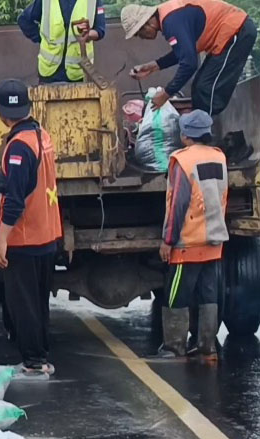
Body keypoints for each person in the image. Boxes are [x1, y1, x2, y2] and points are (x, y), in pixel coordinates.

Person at [0, 80, 62, 377]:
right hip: (46, 234)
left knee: (23, 304)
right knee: (39, 302)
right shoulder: (40, 135)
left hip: (24, 237)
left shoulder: (18, 146)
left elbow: (16, 200)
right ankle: (41, 356)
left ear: (1, 113)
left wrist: (1, 240)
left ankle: (33, 361)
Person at [157, 110, 228, 360]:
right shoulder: (219, 157)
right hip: (214, 238)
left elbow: (177, 204)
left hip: (188, 241)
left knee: (177, 293)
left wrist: (168, 241)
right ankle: (206, 346)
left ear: (185, 136)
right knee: (208, 293)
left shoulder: (182, 161)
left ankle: (174, 346)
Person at [124, 1, 257, 115]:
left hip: (236, 30)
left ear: (147, 24)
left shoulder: (171, 22)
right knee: (199, 87)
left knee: (205, 89)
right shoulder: (169, 18)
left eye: (138, 34)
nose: (141, 38)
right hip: (225, 36)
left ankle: (204, 138)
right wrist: (153, 66)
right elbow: (184, 53)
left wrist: (166, 93)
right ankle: (200, 134)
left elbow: (189, 64)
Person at [18, 0, 107, 83]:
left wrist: (88, 34)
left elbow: (100, 30)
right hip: (49, 72)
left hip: (78, 72)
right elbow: (24, 20)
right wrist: (41, 38)